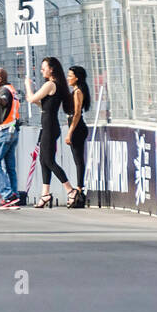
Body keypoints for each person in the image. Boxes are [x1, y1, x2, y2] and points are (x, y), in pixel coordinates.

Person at [24, 56, 78, 209]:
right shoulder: (56, 85)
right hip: (48, 124)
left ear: (52, 69)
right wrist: (33, 97)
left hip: (50, 126)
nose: (41, 70)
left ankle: (70, 189)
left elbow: (32, 98)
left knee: (49, 160)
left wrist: (28, 86)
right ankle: (45, 193)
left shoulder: (50, 84)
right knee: (43, 160)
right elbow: (41, 103)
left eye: (44, 67)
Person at [0, 67, 21, 209]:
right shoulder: (11, 89)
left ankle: (8, 195)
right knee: (10, 166)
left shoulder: (4, 91)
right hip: (11, 130)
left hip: (3, 131)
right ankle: (13, 196)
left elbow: (3, 101)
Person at [65, 66, 91, 208]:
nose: (68, 78)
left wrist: (70, 132)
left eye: (70, 76)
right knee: (77, 159)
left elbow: (77, 113)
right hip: (75, 126)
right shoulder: (75, 91)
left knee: (78, 160)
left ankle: (80, 190)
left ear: (77, 78)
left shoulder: (78, 92)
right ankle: (80, 188)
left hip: (78, 128)